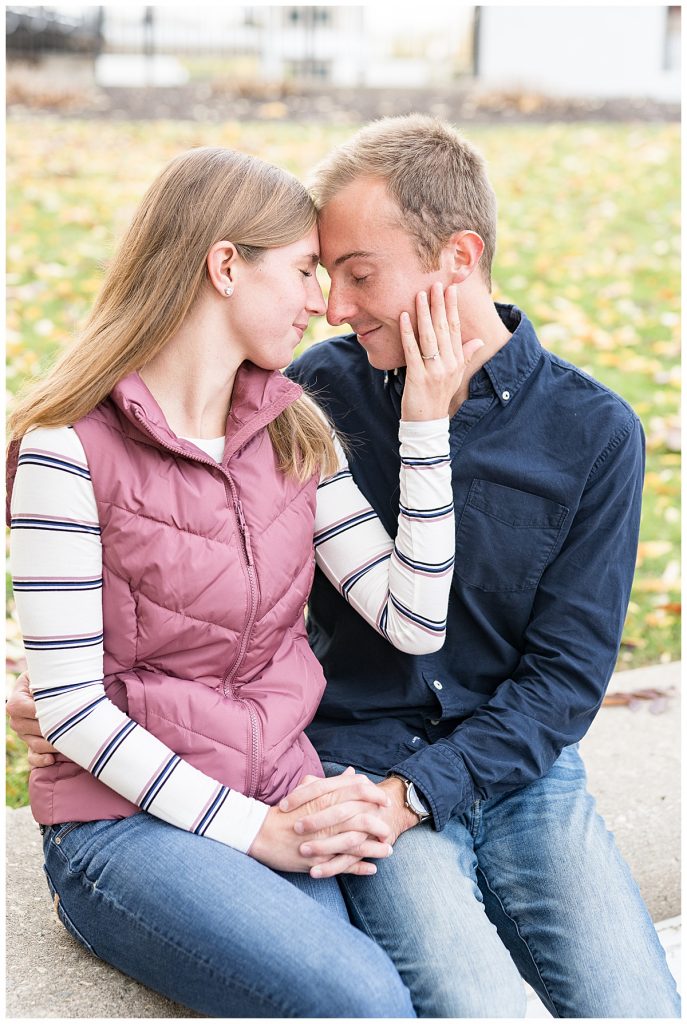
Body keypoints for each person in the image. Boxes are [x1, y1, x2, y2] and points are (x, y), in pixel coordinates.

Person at [5, 144, 484, 1018]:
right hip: (121, 828)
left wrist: (424, 424)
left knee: (403, 990)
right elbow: (71, 707)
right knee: (364, 999)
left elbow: (411, 622)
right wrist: (259, 833)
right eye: (303, 270)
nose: (322, 303)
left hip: (278, 788)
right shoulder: (65, 452)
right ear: (224, 264)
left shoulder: (295, 429)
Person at [275, 114, 678, 1018]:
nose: (335, 306)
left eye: (359, 273)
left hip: (520, 773)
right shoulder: (320, 392)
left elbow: (565, 679)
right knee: (476, 1007)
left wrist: (422, 791)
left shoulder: (592, 432)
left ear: (457, 257)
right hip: (359, 769)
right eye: (328, 274)